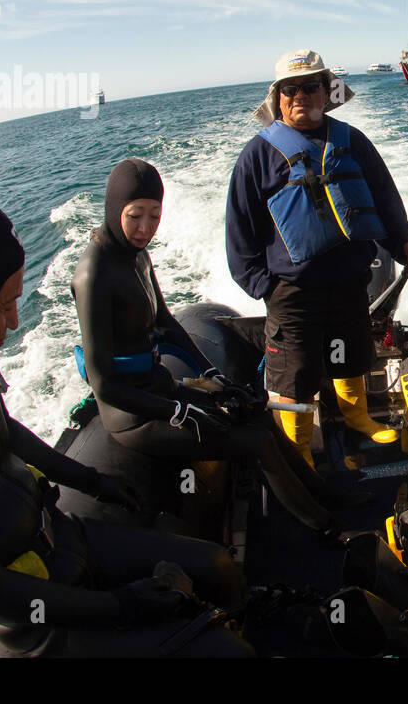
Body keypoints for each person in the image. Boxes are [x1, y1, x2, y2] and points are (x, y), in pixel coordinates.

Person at [0, 195, 251, 656]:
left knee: (217, 565)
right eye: (4, 307)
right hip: (36, 622)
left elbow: (0, 427)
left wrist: (93, 481)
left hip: (61, 538)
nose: (14, 321)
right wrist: (121, 606)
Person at [73, 158, 356, 536]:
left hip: (159, 386)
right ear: (114, 209)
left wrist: (214, 377)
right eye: (135, 216)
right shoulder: (93, 273)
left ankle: (325, 494)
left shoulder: (137, 255)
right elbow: (104, 385)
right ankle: (328, 528)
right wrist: (177, 410)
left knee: (257, 414)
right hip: (132, 417)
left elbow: (167, 324)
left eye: (154, 216)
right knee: (255, 442)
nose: (145, 228)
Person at [226, 49, 408, 463]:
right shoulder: (257, 155)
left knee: (349, 353)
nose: (300, 95)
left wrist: (404, 242)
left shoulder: (352, 141)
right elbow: (239, 228)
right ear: (278, 98)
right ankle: (299, 452)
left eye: (310, 86)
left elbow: (385, 199)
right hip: (292, 293)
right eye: (290, 88)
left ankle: (359, 421)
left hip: (349, 281)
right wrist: (263, 286)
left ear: (325, 91)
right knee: (294, 377)